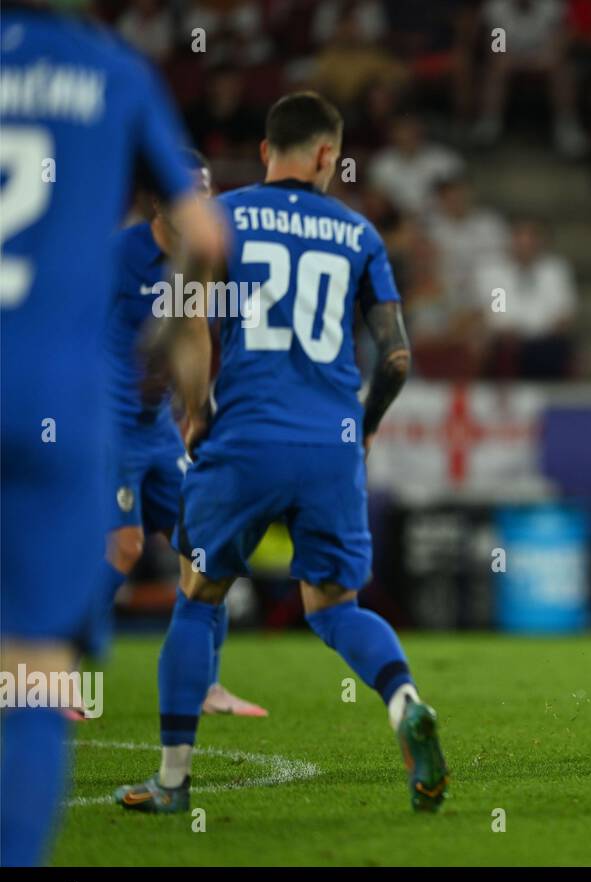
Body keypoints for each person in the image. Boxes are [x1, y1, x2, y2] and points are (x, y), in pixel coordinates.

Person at [113, 92, 448, 812]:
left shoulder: (221, 216)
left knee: (199, 597)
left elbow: (189, 322)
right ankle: (404, 701)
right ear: (328, 155)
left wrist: (197, 411)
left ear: (267, 151)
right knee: (332, 605)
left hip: (244, 437)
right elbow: (394, 359)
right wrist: (362, 428)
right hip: (328, 443)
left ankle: (172, 782)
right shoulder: (360, 233)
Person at [1, 0, 225, 866]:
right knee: (32, 667)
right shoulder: (115, 72)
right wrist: (181, 341)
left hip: (107, 411)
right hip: (58, 397)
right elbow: (205, 233)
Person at [103, 149, 265, 718]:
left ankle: (207, 685)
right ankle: (58, 676)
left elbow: (196, 329)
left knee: (204, 547)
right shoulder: (118, 256)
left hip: (160, 430)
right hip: (110, 427)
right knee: (122, 548)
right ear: (156, 201)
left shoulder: (200, 257)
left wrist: (201, 410)